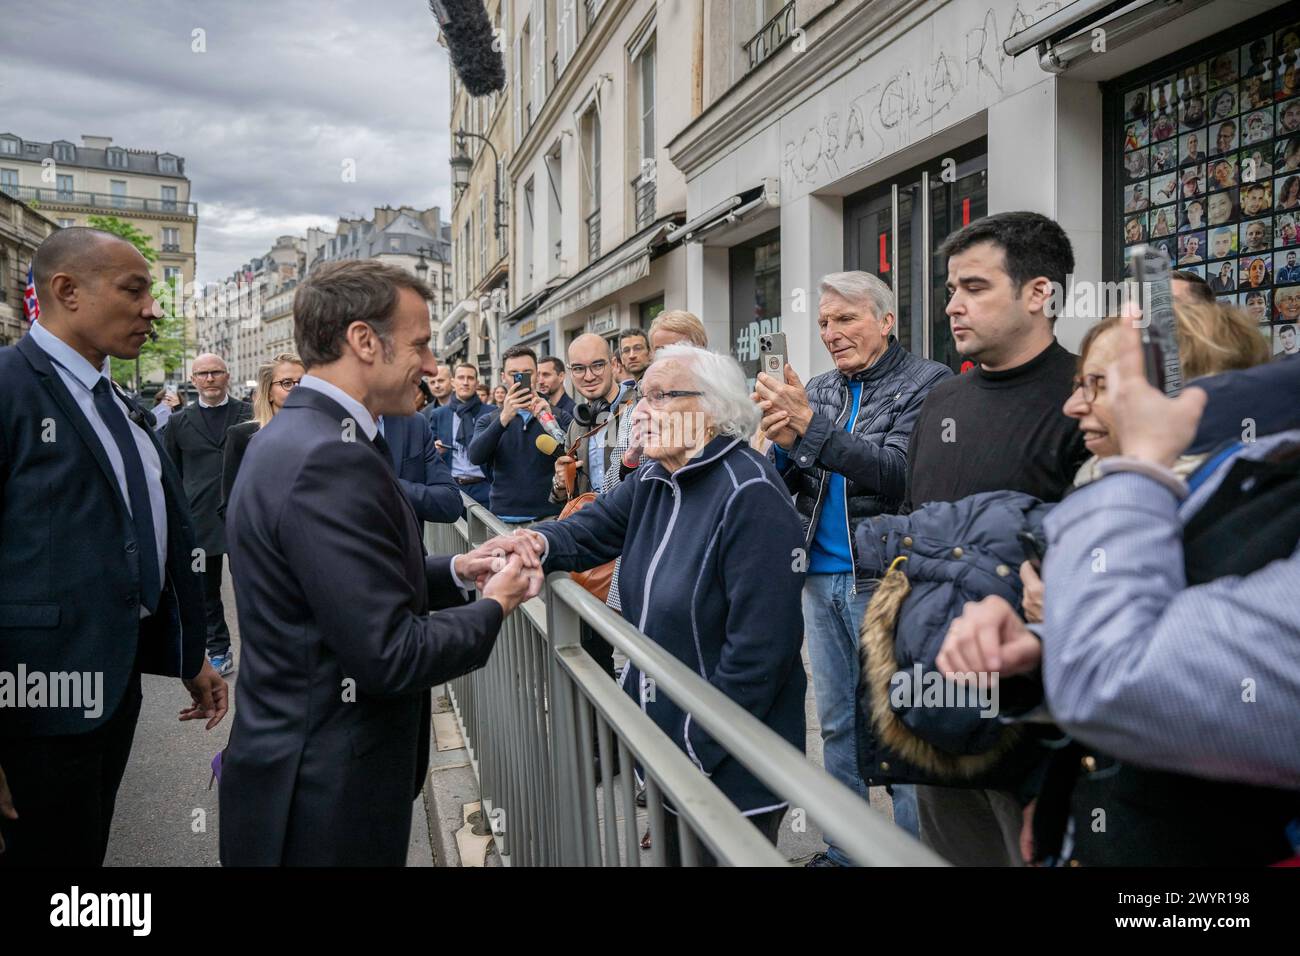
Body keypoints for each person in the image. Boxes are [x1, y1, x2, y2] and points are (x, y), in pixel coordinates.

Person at [938, 318, 1300, 863]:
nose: (1073, 407)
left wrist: (1139, 467)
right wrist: (1040, 651)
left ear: (1183, 391)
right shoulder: (1205, 486)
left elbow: (1118, 676)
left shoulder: (1247, 495)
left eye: (1103, 386)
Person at [219, 259, 540, 867]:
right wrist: (497, 603)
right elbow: (390, 653)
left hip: (310, 777)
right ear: (364, 340)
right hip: (327, 796)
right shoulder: (327, 456)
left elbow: (342, 589)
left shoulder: (307, 435)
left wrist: (456, 569)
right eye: (420, 345)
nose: (432, 366)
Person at [496, 345, 808, 865]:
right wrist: (529, 545)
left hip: (727, 764)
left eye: (663, 396)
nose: (642, 409)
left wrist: (694, 749)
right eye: (644, 394)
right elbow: (590, 529)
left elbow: (761, 652)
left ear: (710, 409)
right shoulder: (655, 475)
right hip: (667, 748)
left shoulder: (749, 490)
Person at [0, 228, 226, 866]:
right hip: (30, 705)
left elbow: (144, 535)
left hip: (110, 692)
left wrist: (188, 654)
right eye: (135, 290)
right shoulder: (11, 389)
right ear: (66, 291)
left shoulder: (120, 404)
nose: (152, 309)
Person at [902, 211, 1089, 866]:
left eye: (975, 288)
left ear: (1039, 293)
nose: (953, 306)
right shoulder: (942, 403)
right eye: (952, 289)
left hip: (1033, 730)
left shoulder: (1084, 401)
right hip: (935, 711)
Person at [754, 272, 949, 863]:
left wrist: (810, 428)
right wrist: (776, 445)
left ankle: (910, 854)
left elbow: (896, 472)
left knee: (901, 726)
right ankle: (844, 851)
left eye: (846, 319)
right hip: (820, 579)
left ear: (887, 321)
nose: (831, 333)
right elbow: (790, 481)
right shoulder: (818, 388)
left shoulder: (928, 384)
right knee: (837, 725)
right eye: (823, 323)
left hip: (886, 583)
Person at [161, 352, 252, 676]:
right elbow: (170, 471)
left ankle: (260, 652)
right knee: (205, 592)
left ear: (227, 376)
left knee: (254, 587)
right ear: (193, 380)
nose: (209, 378)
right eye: (202, 374)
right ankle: (218, 649)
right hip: (199, 519)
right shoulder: (177, 422)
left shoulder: (251, 414)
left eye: (215, 372)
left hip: (245, 515)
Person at [468, 346, 563, 524]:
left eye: (527, 372)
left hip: (548, 518)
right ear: (503, 377)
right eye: (514, 374)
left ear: (537, 375)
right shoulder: (489, 419)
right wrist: (504, 418)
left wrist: (549, 420)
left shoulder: (559, 414)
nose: (520, 380)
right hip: (502, 519)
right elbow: (475, 456)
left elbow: (571, 454)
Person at [221, 353, 304, 519]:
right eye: (286, 383)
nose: (297, 388)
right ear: (268, 393)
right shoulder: (242, 437)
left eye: (303, 382)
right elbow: (230, 504)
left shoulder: (323, 435)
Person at [375, 402, 464, 524]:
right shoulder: (340, 422)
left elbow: (451, 503)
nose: (416, 381)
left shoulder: (414, 423)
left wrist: (388, 486)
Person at [431, 362, 494, 508]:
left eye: (470, 378)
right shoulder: (439, 414)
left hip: (485, 488)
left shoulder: (491, 412)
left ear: (477, 383)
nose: (465, 382)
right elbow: (429, 450)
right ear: (453, 382)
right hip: (452, 487)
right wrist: (436, 449)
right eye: (461, 378)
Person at [536, 355, 576, 428]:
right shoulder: (539, 409)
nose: (540, 381)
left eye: (546, 375)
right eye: (538, 375)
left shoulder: (573, 412)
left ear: (561, 376)